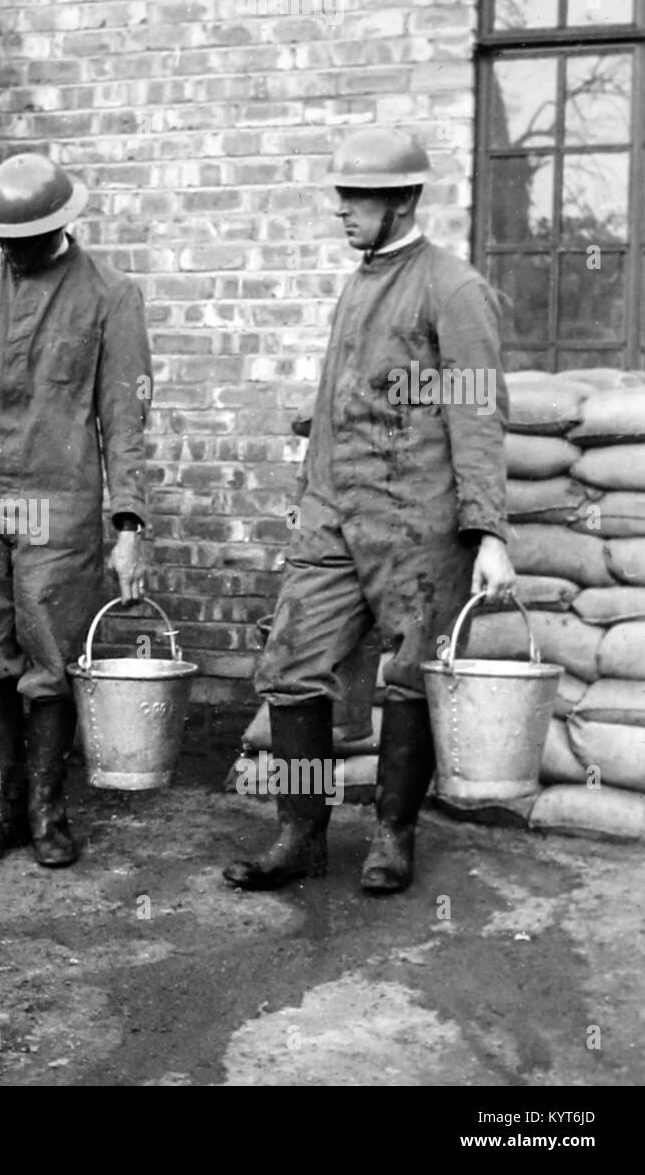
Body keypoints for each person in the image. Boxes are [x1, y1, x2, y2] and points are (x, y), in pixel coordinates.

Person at [224, 127, 516, 896]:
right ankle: (300, 833)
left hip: (417, 523)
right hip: (333, 516)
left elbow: (476, 413)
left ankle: (392, 836)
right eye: (341, 196)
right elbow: (351, 400)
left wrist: (487, 533)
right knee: (292, 668)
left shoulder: (452, 289)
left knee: (409, 678)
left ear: (404, 200)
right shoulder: (359, 283)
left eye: (359, 198)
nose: (343, 211)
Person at [0, 153, 151, 869]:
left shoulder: (110, 294)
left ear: (60, 226)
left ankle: (49, 809)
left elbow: (125, 415)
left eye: (21, 238)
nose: (6, 251)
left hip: (57, 501)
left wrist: (128, 524)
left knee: (49, 656)